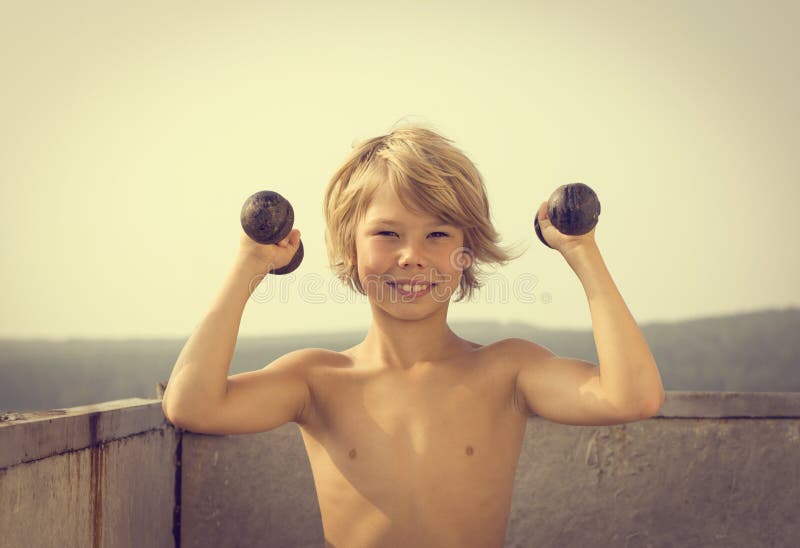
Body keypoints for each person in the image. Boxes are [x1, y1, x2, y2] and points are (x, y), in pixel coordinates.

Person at [162, 123, 665, 547]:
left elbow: (631, 397)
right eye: (387, 234)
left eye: (438, 234)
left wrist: (581, 252)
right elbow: (193, 405)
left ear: (468, 250)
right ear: (349, 246)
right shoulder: (316, 380)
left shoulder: (506, 371)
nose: (412, 256)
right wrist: (252, 261)